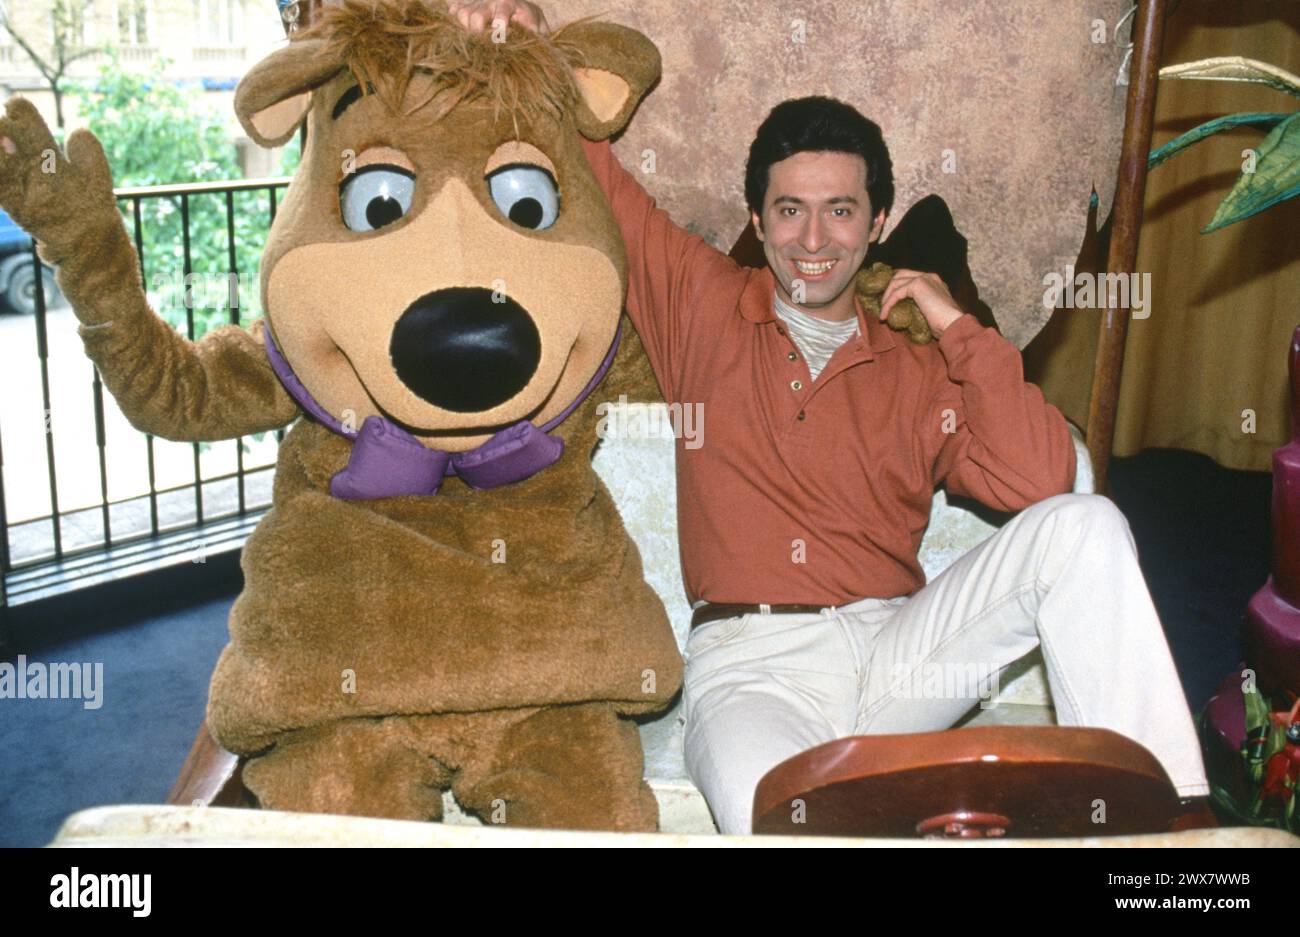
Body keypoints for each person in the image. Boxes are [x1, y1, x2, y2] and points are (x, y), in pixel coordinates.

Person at [449, 0, 1212, 835]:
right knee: (778, 815)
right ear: (757, 220)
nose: (814, 238)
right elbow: (595, 170)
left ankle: (1170, 828)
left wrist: (962, 331)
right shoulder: (701, 302)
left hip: (896, 652)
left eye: (841, 210)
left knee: (1087, 523)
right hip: (751, 666)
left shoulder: (917, 356)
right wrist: (521, 39)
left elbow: (1044, 480)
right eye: (789, 210)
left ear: (876, 222)